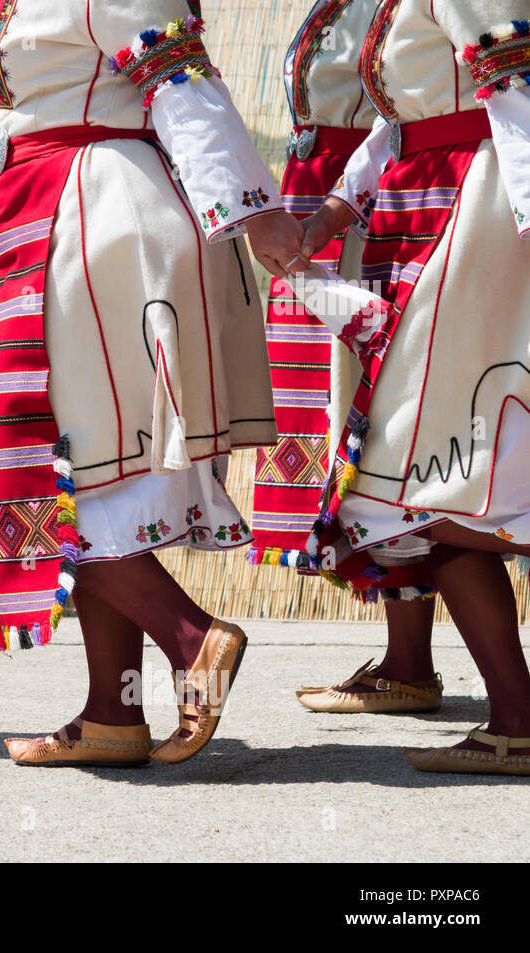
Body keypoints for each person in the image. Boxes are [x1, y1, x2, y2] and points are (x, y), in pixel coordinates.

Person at [0, 0, 306, 766]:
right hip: (57, 214)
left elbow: (178, 77)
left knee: (71, 463)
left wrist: (253, 212)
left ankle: (193, 641)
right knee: (79, 459)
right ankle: (112, 712)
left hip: (104, 217)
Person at [260, 0, 530, 774]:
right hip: (419, 210)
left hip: (473, 221)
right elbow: (398, 124)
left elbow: (514, 92)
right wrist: (335, 211)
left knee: (425, 485)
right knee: (425, 485)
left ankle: (516, 716)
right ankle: (511, 712)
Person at [253, 0, 442, 715]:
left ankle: (411, 662)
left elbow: (407, 114)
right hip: (327, 207)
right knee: (352, 430)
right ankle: (406, 657)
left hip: (379, 212)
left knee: (377, 432)